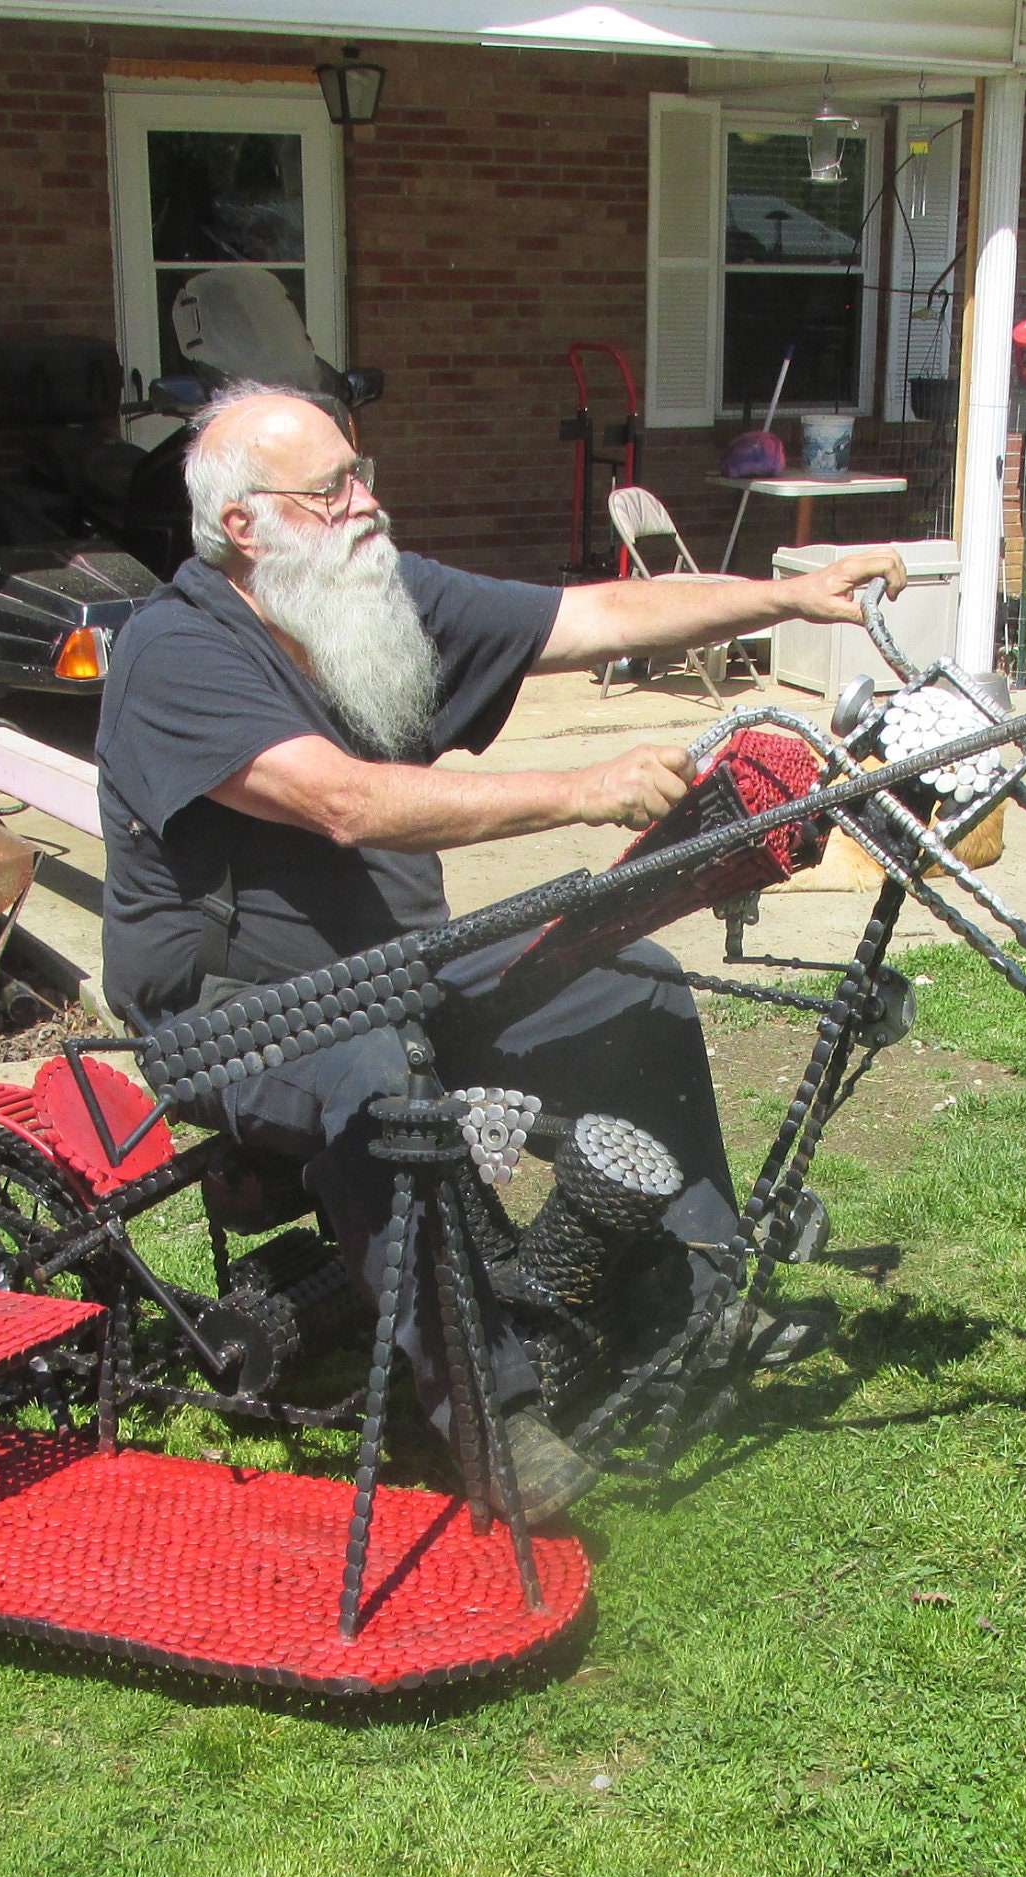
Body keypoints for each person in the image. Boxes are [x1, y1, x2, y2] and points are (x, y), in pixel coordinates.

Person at [95, 381, 906, 1516]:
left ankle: (694, 1299)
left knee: (634, 985)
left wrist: (789, 595)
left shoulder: (365, 595)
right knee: (385, 1082)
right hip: (234, 1017)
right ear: (244, 525)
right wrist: (579, 790)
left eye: (360, 474)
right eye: (331, 491)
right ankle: (495, 1414)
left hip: (399, 977)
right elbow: (343, 803)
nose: (365, 504)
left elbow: (591, 618)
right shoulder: (175, 652)